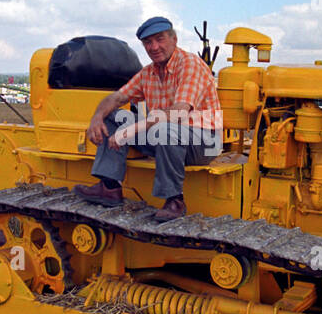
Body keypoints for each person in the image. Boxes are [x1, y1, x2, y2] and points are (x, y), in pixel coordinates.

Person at [75, 16, 222, 221]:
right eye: (148, 42)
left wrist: (129, 131)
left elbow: (179, 112)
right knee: (113, 117)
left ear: (174, 39)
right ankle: (109, 187)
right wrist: (97, 117)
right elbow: (117, 97)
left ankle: (174, 200)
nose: (154, 47)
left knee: (166, 130)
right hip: (166, 137)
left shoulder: (190, 65)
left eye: (160, 39)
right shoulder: (148, 73)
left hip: (205, 141)